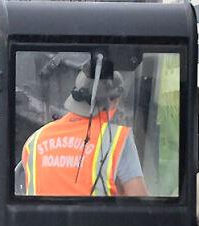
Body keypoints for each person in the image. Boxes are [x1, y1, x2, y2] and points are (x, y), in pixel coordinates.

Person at [16, 66, 149, 197]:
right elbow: (138, 201)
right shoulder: (117, 139)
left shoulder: (35, 140)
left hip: (39, 219)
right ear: (114, 101)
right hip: (94, 219)